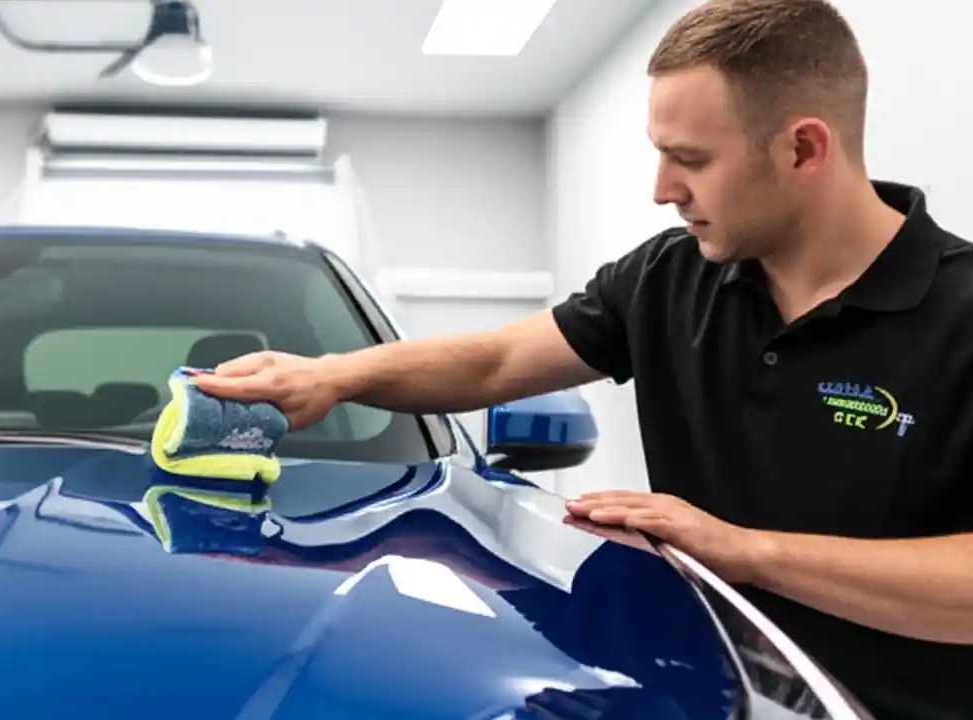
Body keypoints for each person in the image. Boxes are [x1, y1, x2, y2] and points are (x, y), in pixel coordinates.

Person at [193, 0, 973, 717]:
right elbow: (496, 364)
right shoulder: (670, 276)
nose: (662, 188)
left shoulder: (961, 313)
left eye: (690, 159)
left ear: (803, 148)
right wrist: (330, 377)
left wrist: (745, 552)